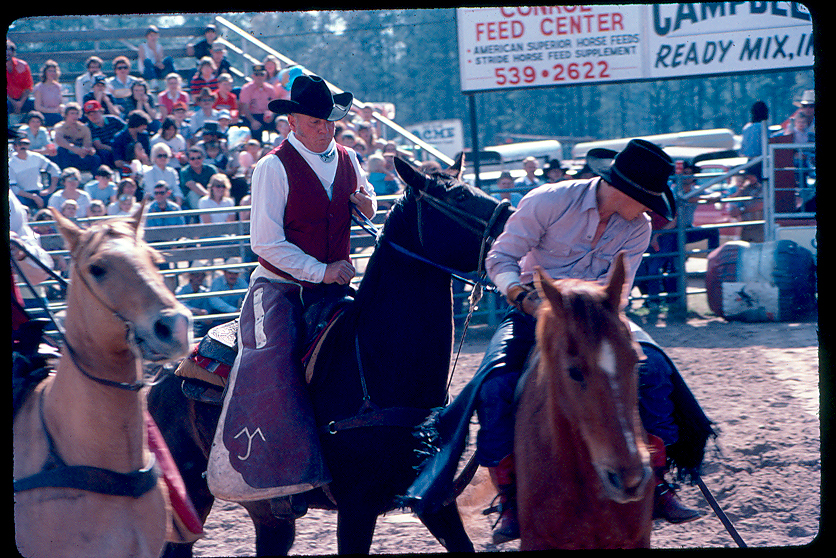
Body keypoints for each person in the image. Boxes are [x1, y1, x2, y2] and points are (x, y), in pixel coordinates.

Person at [467, 139, 700, 543]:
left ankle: (657, 482)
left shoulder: (637, 228)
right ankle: (509, 496)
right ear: (627, 192)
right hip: (532, 311)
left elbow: (620, 292)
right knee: (494, 387)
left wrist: (605, 320)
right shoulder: (548, 202)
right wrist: (521, 296)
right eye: (647, 202)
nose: (648, 212)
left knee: (656, 371)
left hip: (600, 318)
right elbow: (499, 257)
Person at [210, 74, 377, 501]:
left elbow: (367, 197)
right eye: (317, 122)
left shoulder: (350, 158)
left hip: (335, 282)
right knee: (273, 360)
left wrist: (367, 202)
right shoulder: (272, 167)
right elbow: (264, 243)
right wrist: (320, 271)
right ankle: (276, 473)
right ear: (293, 123)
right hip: (279, 286)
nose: (326, 129)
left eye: (330, 122)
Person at [9, 134, 61, 213]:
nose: (23, 147)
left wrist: (51, 189)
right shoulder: (10, 164)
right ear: (15, 147)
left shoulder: (36, 157)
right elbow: (14, 189)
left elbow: (54, 169)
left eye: (26, 144)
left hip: (39, 192)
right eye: (20, 144)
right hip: (22, 195)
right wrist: (34, 197)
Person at [52, 102, 101, 172]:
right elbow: (59, 140)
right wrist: (74, 149)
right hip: (66, 156)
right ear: (66, 115)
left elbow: (87, 143)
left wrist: (87, 150)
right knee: (61, 150)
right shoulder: (59, 127)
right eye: (72, 113)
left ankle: (96, 179)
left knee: (96, 158)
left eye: (76, 113)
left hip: (79, 156)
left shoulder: (84, 128)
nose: (75, 116)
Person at [238, 64, 279, 143]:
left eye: (262, 74)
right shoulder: (247, 88)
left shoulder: (270, 88)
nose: (259, 77)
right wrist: (253, 121)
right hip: (252, 116)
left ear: (265, 75)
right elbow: (244, 107)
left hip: (267, 116)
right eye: (257, 74)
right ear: (253, 76)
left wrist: (271, 114)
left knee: (281, 123)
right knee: (256, 129)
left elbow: (275, 105)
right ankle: (257, 149)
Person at [84, 99, 125, 168]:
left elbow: (128, 130)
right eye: (89, 114)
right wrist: (115, 150)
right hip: (108, 150)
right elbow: (99, 145)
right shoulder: (88, 127)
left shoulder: (113, 119)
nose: (93, 116)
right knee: (103, 153)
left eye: (95, 112)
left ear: (101, 111)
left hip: (121, 146)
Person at [175, 267, 212, 337]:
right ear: (191, 276)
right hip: (186, 322)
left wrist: (206, 315)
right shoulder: (181, 291)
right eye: (197, 276)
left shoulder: (204, 291)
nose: (200, 278)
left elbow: (207, 308)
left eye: (202, 276)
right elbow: (179, 305)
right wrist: (194, 310)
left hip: (200, 323)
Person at [180, 145, 218, 211]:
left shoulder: (211, 169)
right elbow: (192, 185)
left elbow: (218, 182)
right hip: (194, 198)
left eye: (198, 158)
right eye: (192, 159)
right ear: (188, 160)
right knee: (193, 194)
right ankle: (199, 216)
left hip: (211, 195)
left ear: (203, 158)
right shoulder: (185, 171)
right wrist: (208, 196)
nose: (196, 160)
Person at [739, 100, 769, 181]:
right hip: (761, 162)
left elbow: (743, 149)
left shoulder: (746, 128)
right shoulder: (763, 127)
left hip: (749, 162)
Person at [7, 39, 35, 117]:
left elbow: (28, 87)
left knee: (34, 104)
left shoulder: (23, 65)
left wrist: (20, 103)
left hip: (22, 99)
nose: (7, 52)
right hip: (9, 100)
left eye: (9, 49)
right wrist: (14, 103)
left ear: (13, 52)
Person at [33, 59, 64, 127]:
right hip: (44, 114)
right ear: (45, 72)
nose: (52, 73)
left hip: (57, 113)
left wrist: (61, 107)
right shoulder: (39, 87)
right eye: (50, 71)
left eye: (54, 71)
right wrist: (52, 111)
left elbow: (60, 102)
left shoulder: (58, 87)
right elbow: (37, 107)